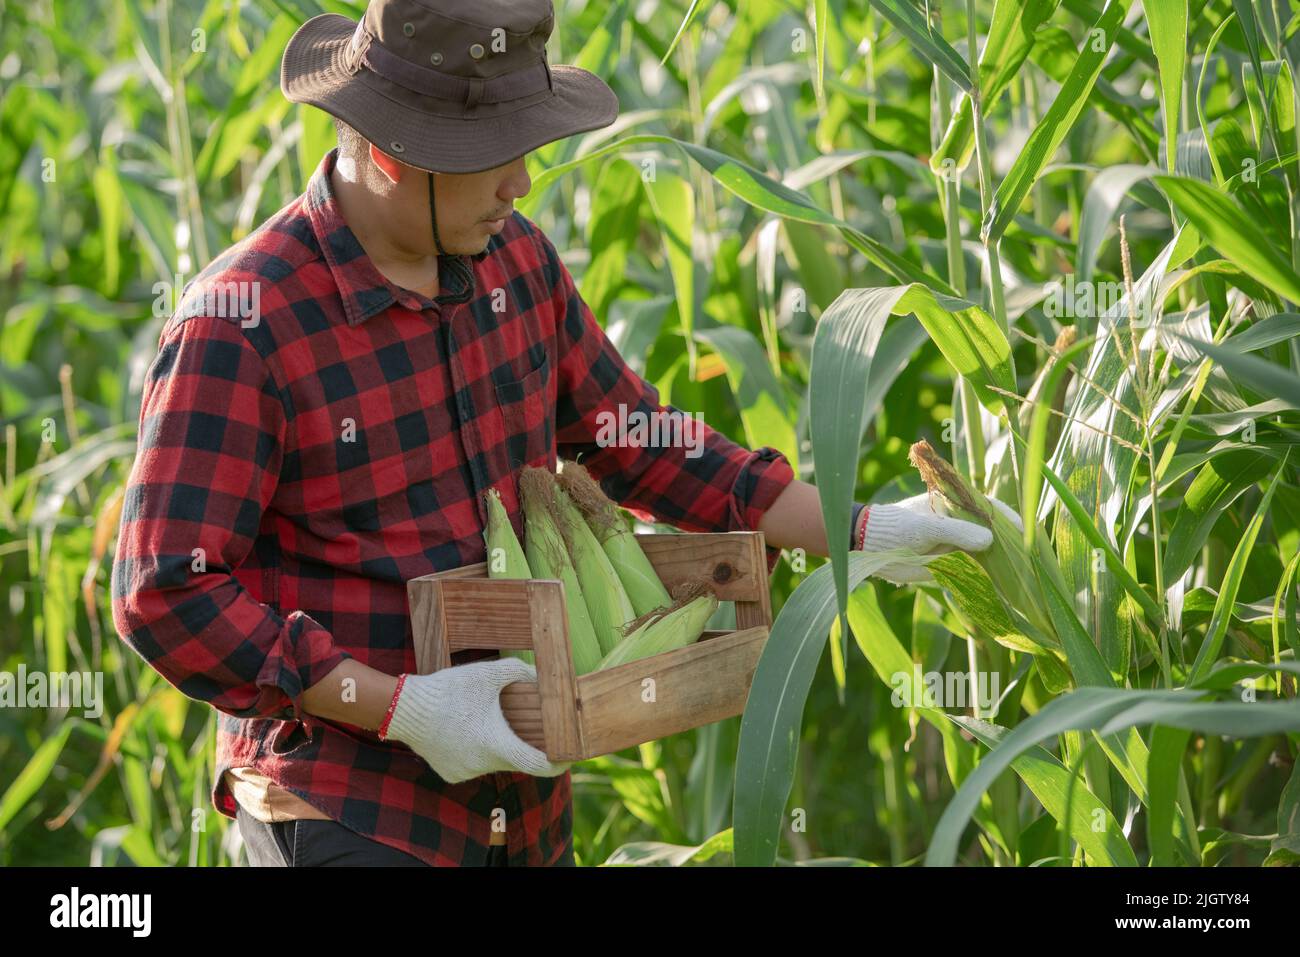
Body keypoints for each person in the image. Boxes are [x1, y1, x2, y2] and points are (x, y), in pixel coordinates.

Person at [111, 0, 1007, 867]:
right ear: (390, 154)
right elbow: (164, 594)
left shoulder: (517, 264)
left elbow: (638, 441)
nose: (521, 182)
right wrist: (402, 708)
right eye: (493, 155)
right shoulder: (244, 322)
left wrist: (859, 531)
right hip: (351, 815)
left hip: (523, 804)